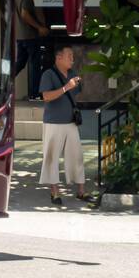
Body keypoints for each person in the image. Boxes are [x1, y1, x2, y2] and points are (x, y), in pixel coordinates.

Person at [39, 45, 93, 206]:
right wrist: (66, 87)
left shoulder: (72, 74)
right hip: (53, 123)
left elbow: (76, 93)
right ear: (59, 57)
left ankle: (81, 191)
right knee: (51, 157)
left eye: (72, 56)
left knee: (76, 156)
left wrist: (74, 85)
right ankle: (54, 192)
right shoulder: (48, 74)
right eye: (69, 55)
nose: (72, 59)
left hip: (70, 122)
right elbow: (46, 96)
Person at [15, 0, 52, 99]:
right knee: (35, 64)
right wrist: (39, 28)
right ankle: (35, 93)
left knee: (20, 63)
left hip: (20, 35)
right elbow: (25, 14)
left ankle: (4, 84)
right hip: (30, 36)